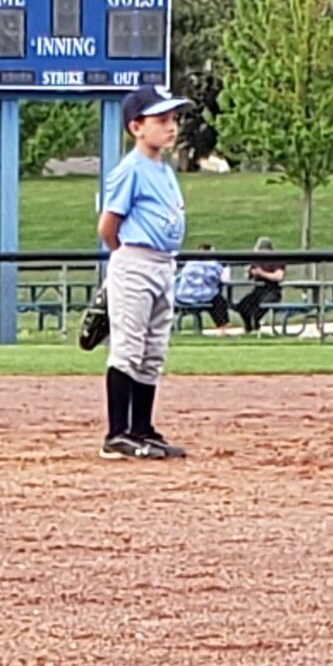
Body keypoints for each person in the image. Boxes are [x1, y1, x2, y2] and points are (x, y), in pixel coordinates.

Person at [97, 86, 191, 460]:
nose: (172, 127)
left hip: (164, 263)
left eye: (173, 120)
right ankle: (116, 433)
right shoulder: (130, 170)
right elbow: (108, 226)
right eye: (162, 120)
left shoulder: (164, 171)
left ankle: (142, 428)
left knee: (153, 351)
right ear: (136, 127)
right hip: (135, 260)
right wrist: (124, 261)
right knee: (129, 348)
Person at [174, 242, 237, 332]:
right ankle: (223, 329)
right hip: (202, 297)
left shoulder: (189, 263)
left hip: (182, 298)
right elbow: (224, 280)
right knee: (219, 300)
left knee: (214, 297)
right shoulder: (214, 264)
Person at [235, 236, 287, 333]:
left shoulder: (276, 259)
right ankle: (250, 328)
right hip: (258, 290)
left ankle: (255, 325)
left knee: (259, 308)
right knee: (242, 307)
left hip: (272, 290)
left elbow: (279, 276)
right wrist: (249, 271)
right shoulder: (256, 259)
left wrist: (261, 273)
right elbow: (247, 276)